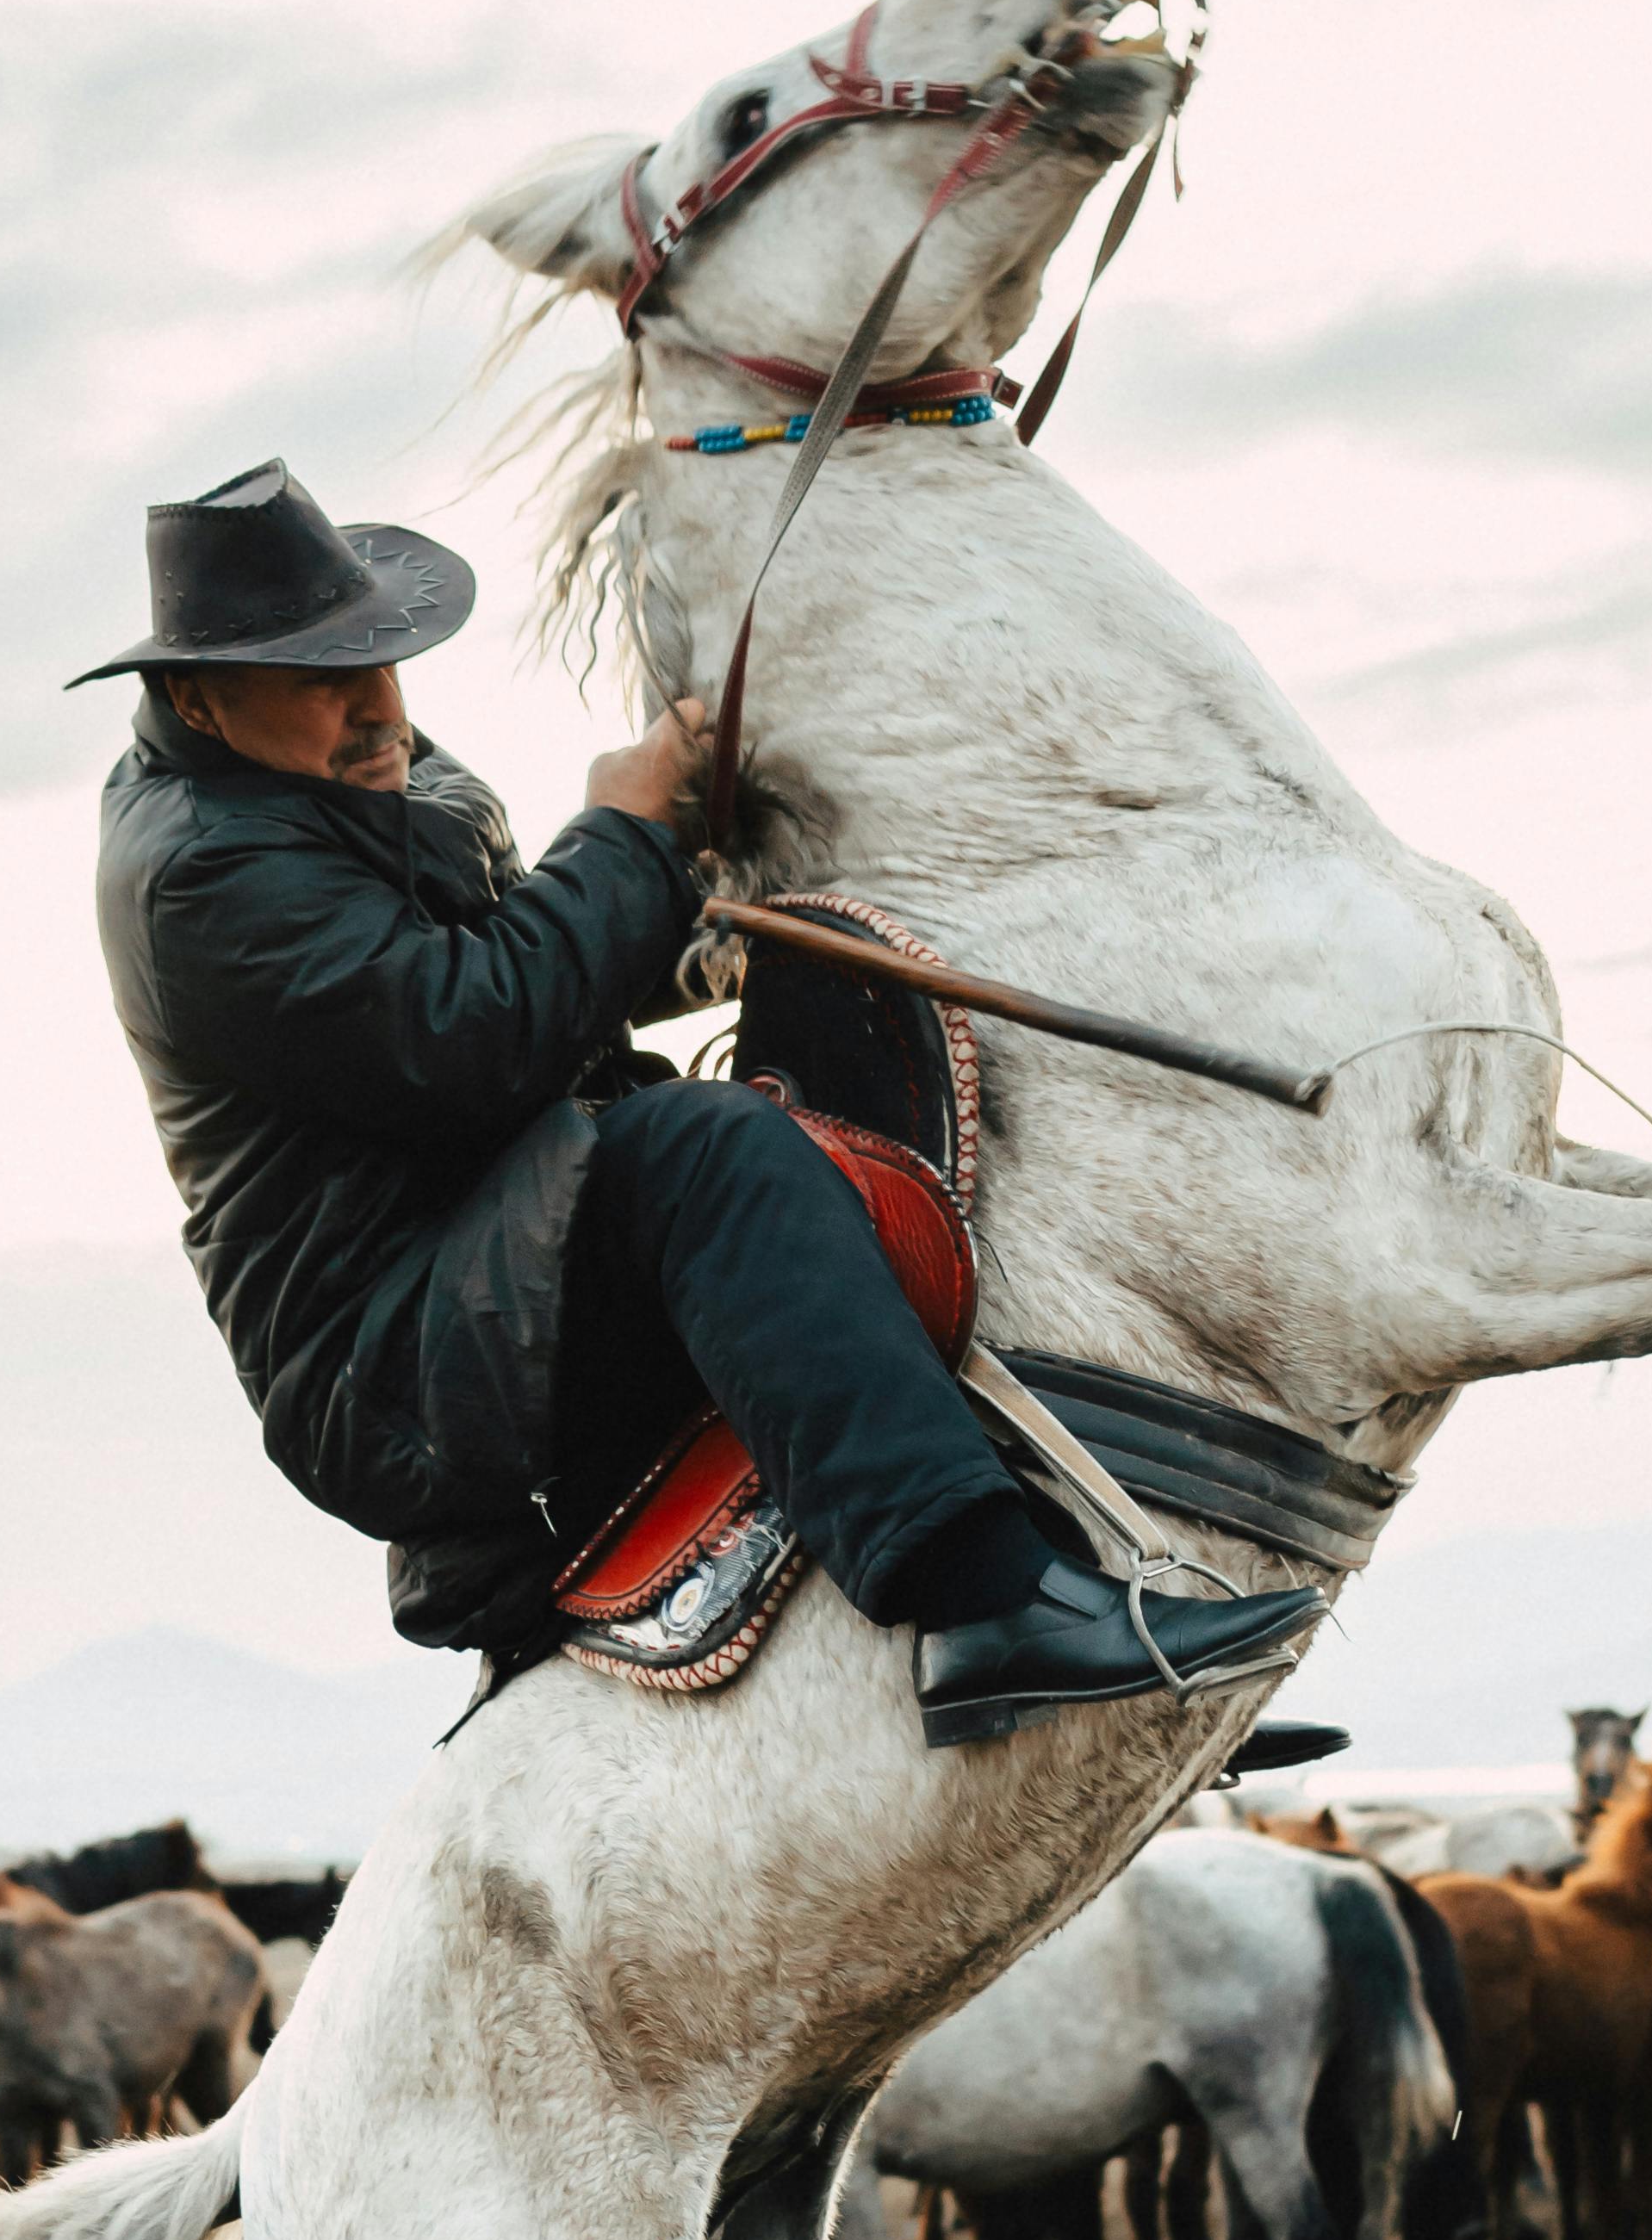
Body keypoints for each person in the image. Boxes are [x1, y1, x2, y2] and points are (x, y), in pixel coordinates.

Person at [79, 462, 1320, 1743]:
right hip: (394, 1353)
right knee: (702, 1153)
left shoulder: (331, 770)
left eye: (376, 659)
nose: (374, 702)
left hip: (497, 1243)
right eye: (319, 674)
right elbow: (478, 1034)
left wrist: (731, 901)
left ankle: (1073, 1592)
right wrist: (622, 829)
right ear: (199, 700)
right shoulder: (199, 877)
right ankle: (983, 1603)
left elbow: (531, 970)